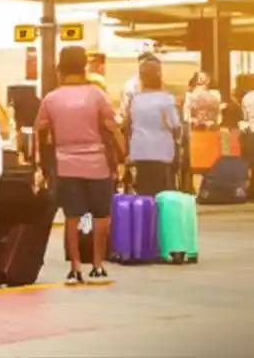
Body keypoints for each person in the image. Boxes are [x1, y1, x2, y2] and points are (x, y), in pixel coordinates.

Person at [35, 46, 125, 285]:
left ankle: (75, 268)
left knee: (72, 217)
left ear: (60, 68)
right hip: (98, 164)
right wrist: (124, 157)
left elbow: (40, 132)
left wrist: (41, 165)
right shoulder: (97, 95)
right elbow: (114, 128)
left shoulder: (51, 98)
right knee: (101, 216)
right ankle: (97, 266)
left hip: (66, 165)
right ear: (83, 65)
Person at [124, 58, 179, 196]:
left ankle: (144, 216)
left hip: (140, 150)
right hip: (161, 150)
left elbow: (128, 125)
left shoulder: (135, 100)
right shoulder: (166, 99)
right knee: (161, 192)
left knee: (143, 189)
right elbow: (175, 125)